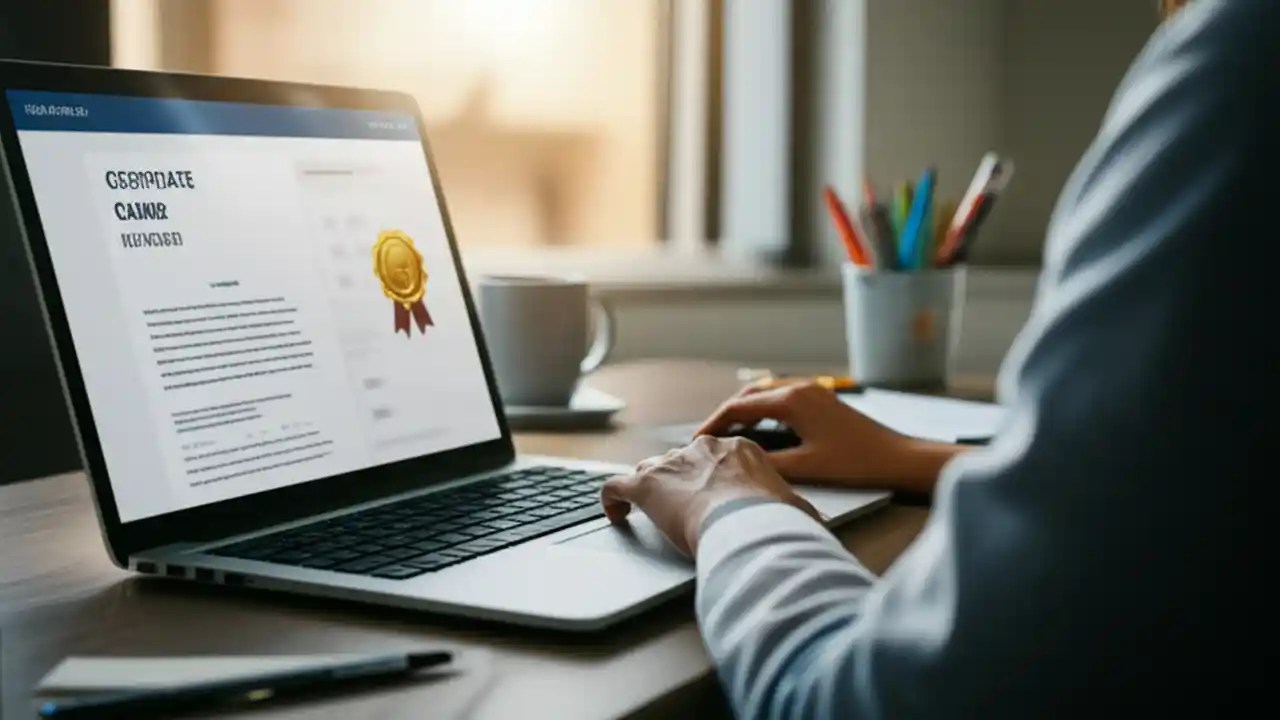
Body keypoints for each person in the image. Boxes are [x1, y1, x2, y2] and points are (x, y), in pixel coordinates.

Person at [600, 0, 1274, 716]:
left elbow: (859, 703)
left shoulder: (1250, 62)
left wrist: (730, 507)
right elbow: (1204, 485)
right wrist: (906, 455)